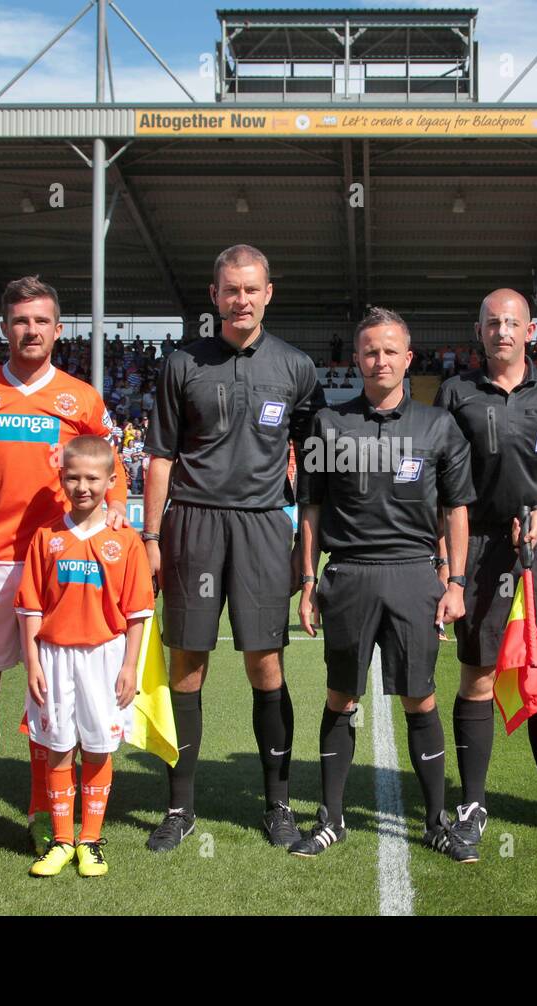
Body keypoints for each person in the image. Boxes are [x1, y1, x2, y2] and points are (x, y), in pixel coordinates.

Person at [0, 276, 129, 853]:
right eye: (21, 320)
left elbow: (108, 462)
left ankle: (49, 812)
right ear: (4, 327)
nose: (31, 330)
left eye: (42, 321)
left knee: (54, 696)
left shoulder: (81, 398)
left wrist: (117, 509)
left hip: (60, 558)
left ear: (58, 329)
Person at [142, 244, 326, 852]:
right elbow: (161, 456)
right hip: (191, 526)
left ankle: (278, 804)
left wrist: (312, 550)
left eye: (250, 288)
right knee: (187, 664)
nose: (240, 299)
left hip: (260, 527)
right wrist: (150, 537)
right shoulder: (181, 363)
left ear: (268, 292)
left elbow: (317, 463)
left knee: (264, 663)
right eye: (229, 289)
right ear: (214, 296)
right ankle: (179, 806)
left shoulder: (297, 368)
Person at [292, 308, 476, 861]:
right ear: (357, 359)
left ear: (408, 358)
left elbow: (457, 509)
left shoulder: (438, 426)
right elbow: (311, 508)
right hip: (347, 574)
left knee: (420, 699)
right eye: (370, 351)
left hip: (414, 575)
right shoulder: (329, 424)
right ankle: (331, 818)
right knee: (340, 697)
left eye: (390, 351)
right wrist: (307, 581)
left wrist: (456, 581)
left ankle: (438, 821)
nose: (380, 360)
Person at [435, 287, 537, 851]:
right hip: (478, 549)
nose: (501, 331)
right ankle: (473, 802)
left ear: (530, 330)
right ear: (478, 331)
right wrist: (445, 561)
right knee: (478, 671)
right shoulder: (456, 392)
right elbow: (443, 486)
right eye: (491, 323)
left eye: (512, 323)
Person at [18, 436, 153, 878]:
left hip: (105, 657)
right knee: (58, 748)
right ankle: (60, 840)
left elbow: (137, 612)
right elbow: (31, 607)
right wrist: (33, 662)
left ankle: (91, 840)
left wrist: (130, 666)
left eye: (93, 478)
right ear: (61, 479)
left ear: (111, 481)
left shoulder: (125, 540)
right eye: (73, 477)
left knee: (96, 748)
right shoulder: (46, 538)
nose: (82, 486)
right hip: (54, 657)